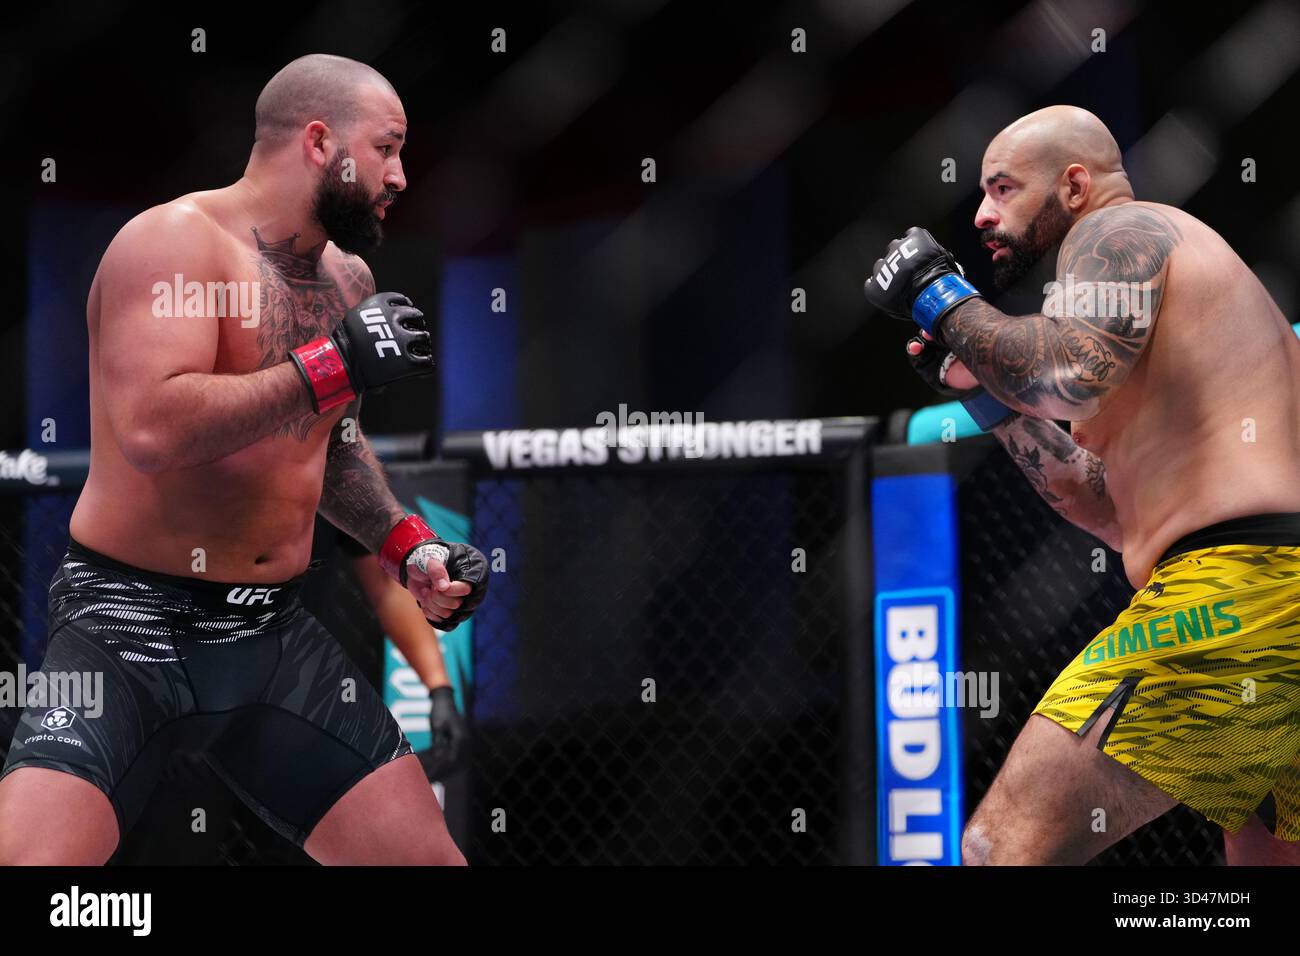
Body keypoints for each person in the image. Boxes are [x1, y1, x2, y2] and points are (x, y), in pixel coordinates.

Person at [0, 53, 487, 865]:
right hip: (129, 630)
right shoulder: (171, 243)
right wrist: (331, 363)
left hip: (273, 638)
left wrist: (409, 548)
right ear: (321, 141)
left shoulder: (348, 277)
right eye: (388, 148)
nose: (401, 176)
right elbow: (153, 429)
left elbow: (329, 444)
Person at [865, 105, 1300, 864]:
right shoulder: (1151, 308)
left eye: (1003, 188)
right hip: (1271, 595)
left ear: (1073, 185)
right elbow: (1102, 505)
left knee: (1003, 848)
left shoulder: (1120, 233)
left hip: (1234, 593)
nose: (982, 213)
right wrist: (986, 399)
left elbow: (1062, 373)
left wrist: (940, 295)